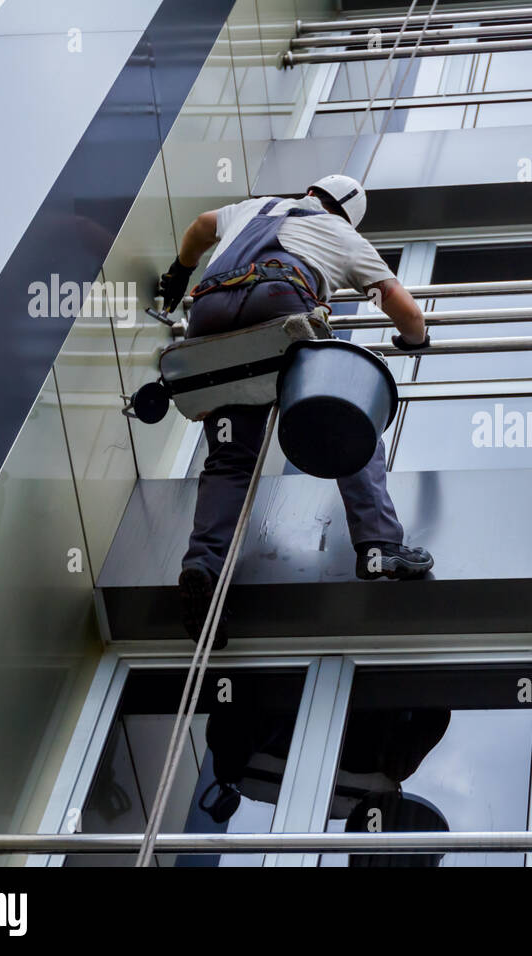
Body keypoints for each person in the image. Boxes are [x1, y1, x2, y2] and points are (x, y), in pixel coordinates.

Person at [156, 174, 434, 648]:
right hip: (279, 307)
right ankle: (380, 547)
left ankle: (203, 565)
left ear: (311, 192)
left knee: (228, 459)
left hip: (208, 320)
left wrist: (178, 274)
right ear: (346, 214)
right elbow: (404, 310)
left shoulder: (257, 206)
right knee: (347, 415)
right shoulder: (345, 235)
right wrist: (416, 341)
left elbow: (202, 227)